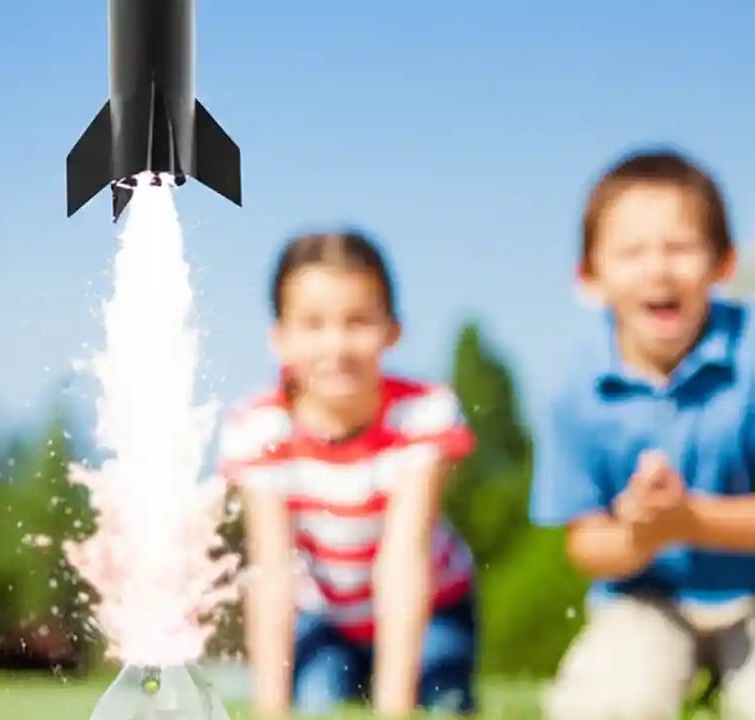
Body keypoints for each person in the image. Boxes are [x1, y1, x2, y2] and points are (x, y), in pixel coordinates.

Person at [530, 147, 755, 719]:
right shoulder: (573, 391)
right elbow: (586, 545)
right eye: (631, 252)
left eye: (679, 248)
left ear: (724, 263)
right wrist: (640, 534)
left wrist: (691, 520)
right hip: (643, 599)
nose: (657, 268)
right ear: (590, 277)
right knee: (610, 703)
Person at [217, 231, 479, 718]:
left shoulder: (425, 415)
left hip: (434, 606)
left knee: (444, 704)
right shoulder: (259, 427)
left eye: (357, 321)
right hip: (328, 616)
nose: (336, 345)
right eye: (313, 324)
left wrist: (393, 709)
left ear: (392, 329)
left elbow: (404, 562)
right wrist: (268, 710)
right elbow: (272, 571)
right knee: (320, 704)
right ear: (280, 338)